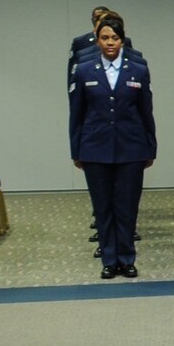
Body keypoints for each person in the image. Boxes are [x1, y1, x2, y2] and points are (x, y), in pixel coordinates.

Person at [69, 14, 156, 278]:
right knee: (103, 206)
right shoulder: (84, 69)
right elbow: (76, 113)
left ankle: (127, 258)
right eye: (105, 38)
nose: (110, 43)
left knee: (127, 207)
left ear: (123, 41)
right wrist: (76, 150)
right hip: (95, 147)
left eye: (115, 38)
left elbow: (146, 111)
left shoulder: (138, 69)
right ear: (97, 40)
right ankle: (109, 259)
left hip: (131, 147)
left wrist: (150, 147)